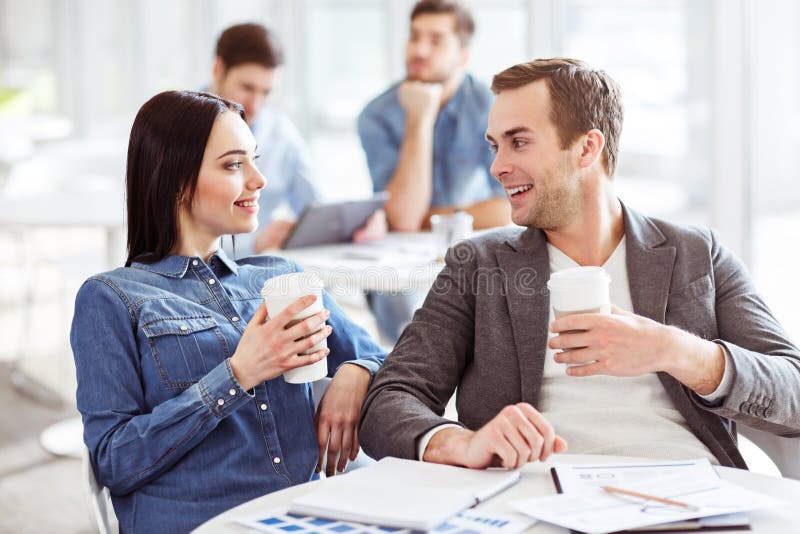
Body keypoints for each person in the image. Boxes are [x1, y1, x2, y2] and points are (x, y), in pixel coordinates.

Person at [358, 58, 800, 470]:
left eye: (518, 142)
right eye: (495, 145)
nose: (497, 166)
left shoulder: (697, 254)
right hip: (535, 494)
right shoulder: (479, 264)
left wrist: (675, 351)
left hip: (689, 493)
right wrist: (460, 443)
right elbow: (390, 400)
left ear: (587, 148)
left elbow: (793, 392)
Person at [71, 91, 385, 532]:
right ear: (177, 178)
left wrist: (357, 372)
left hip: (311, 511)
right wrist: (237, 375)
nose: (259, 180)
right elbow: (114, 463)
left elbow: (388, 361)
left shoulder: (279, 276)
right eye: (234, 164)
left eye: (253, 160)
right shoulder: (111, 297)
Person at [358, 0, 509, 342]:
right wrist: (419, 119)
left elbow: (506, 209)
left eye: (436, 40)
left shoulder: (493, 108)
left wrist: (429, 218)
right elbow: (404, 219)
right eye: (414, 37)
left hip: (468, 248)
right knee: (405, 319)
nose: (420, 50)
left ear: (464, 54)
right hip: (401, 262)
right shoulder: (376, 115)